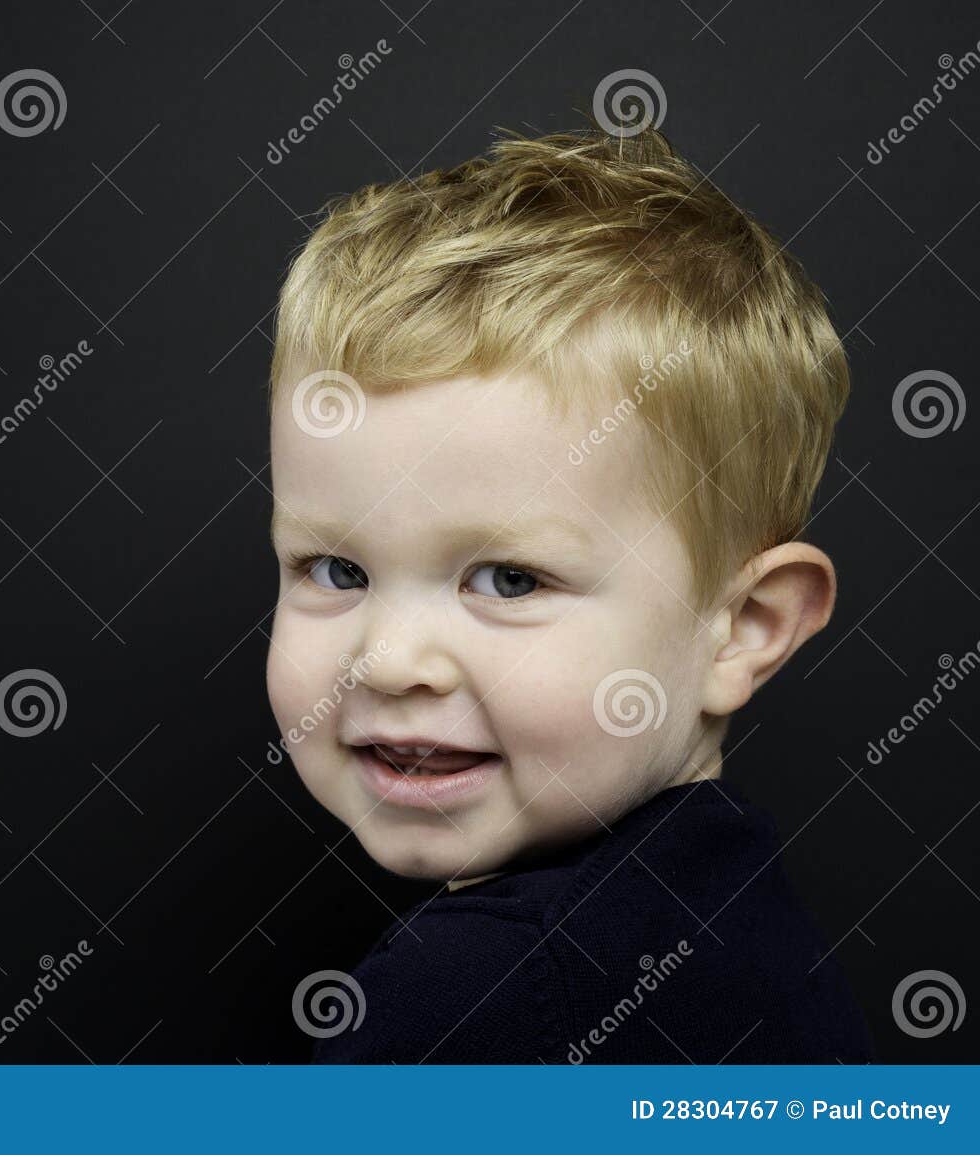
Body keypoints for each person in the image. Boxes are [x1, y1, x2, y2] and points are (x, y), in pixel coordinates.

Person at [264, 123, 873, 1062]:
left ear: (743, 627)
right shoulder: (724, 909)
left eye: (509, 579)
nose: (388, 661)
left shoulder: (473, 999)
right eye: (337, 570)